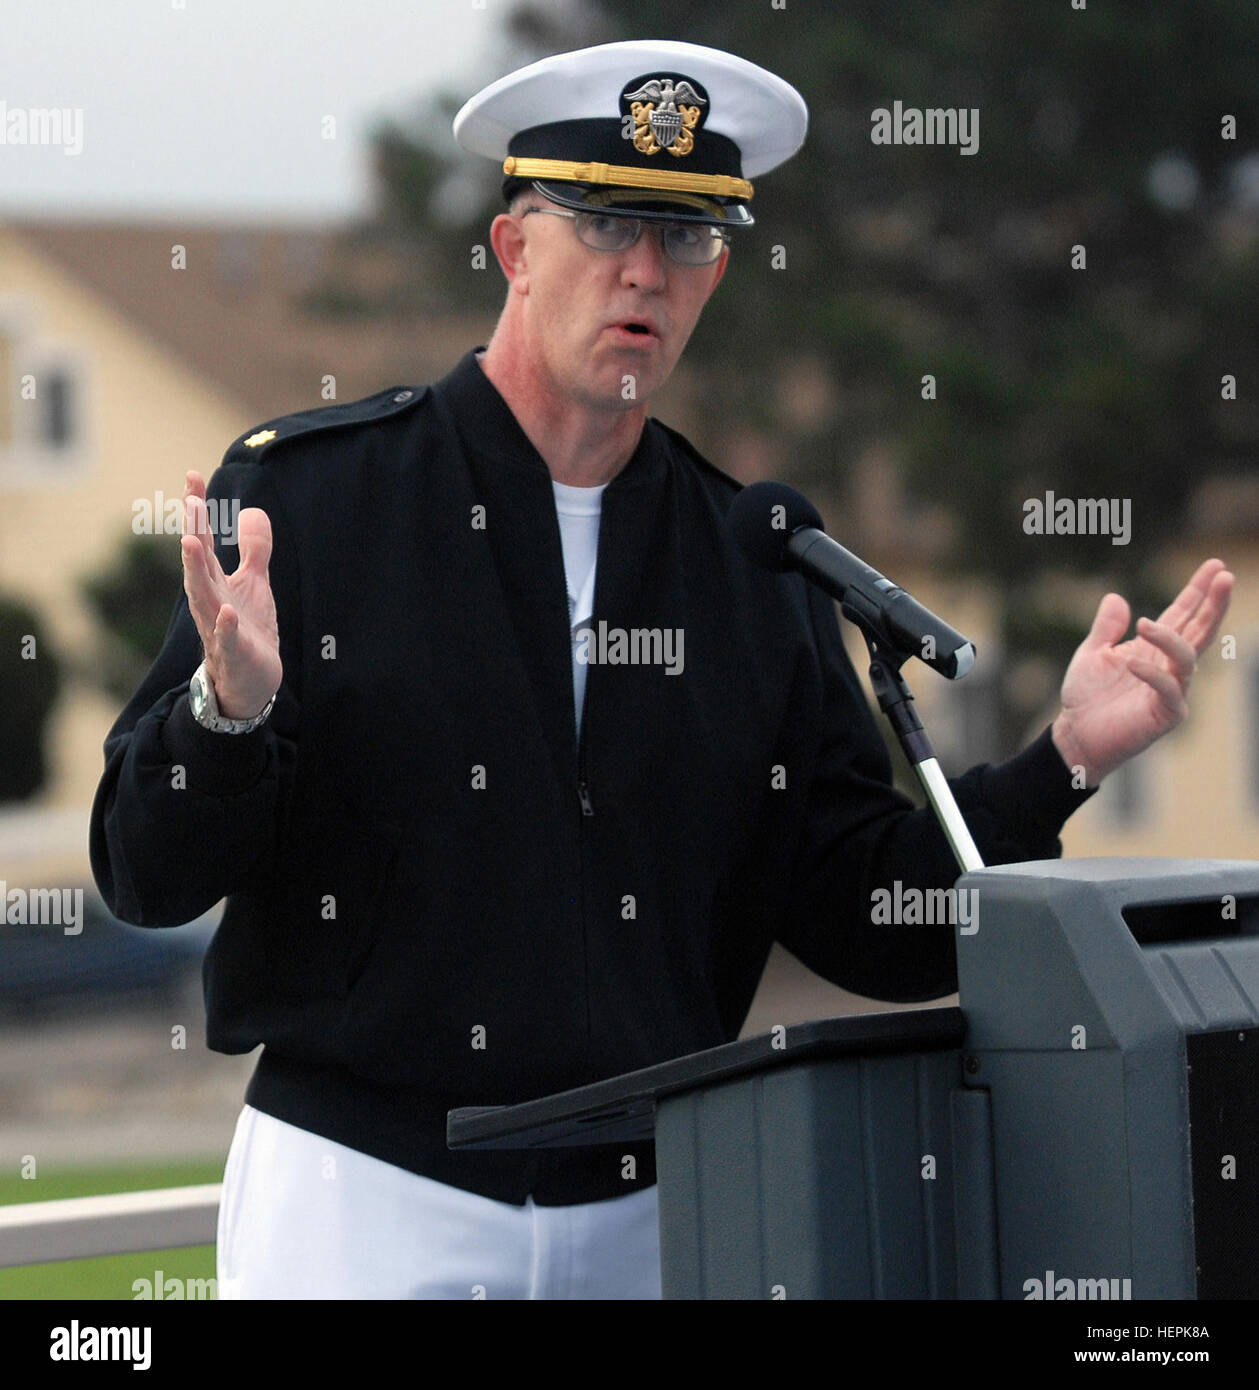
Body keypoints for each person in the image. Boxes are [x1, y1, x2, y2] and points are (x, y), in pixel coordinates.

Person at [90, 40, 1231, 1300]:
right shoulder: (308, 504)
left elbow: (867, 914)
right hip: (365, 1201)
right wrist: (228, 714)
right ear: (515, 249)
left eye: (687, 238)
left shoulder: (754, 557)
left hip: (659, 1211)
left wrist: (1060, 762)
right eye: (605, 222)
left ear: (717, 273)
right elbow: (143, 872)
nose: (645, 270)